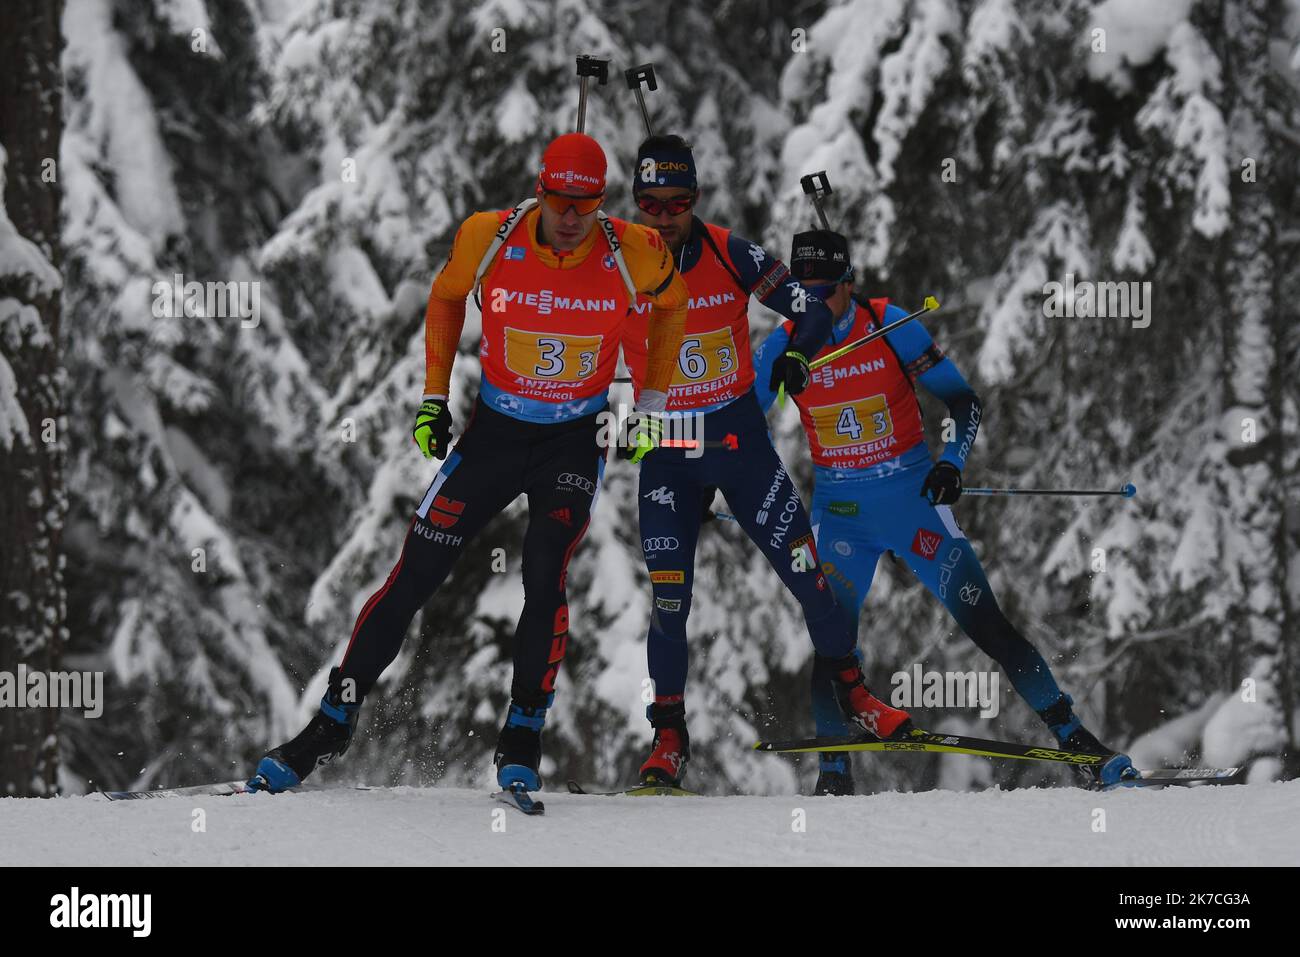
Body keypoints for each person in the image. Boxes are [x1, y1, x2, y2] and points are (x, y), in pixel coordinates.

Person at [249, 132, 690, 797]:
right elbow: (447, 296)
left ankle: (521, 734)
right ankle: (330, 723)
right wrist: (433, 396)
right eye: (559, 200)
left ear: (603, 202)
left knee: (546, 568)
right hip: (495, 434)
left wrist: (652, 403)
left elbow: (674, 305)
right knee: (414, 572)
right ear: (539, 191)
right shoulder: (491, 236)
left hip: (572, 441)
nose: (571, 217)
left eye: (586, 203)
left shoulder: (634, 251)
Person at [751, 228, 1138, 792]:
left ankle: (1077, 742)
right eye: (803, 293)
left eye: (827, 291)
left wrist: (952, 461)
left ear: (850, 285)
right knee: (831, 643)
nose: (815, 305)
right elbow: (738, 424)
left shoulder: (890, 325)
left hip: (914, 504)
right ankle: (834, 776)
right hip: (842, 520)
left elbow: (963, 399)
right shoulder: (784, 346)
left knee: (990, 627)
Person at [620, 136, 911, 788]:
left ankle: (856, 695)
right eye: (650, 204)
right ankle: (669, 733)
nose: (663, 217)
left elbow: (807, 308)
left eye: (677, 202)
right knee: (671, 598)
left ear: (695, 201)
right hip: (668, 453)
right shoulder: (617, 260)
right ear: (636, 205)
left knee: (810, 577)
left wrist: (800, 351)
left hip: (737, 446)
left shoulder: (730, 251)